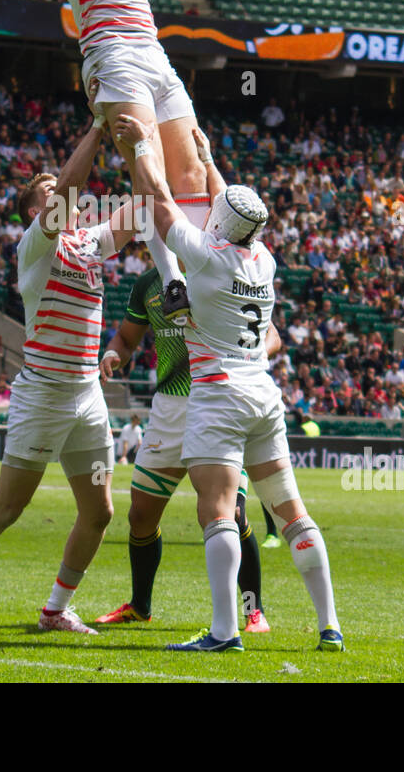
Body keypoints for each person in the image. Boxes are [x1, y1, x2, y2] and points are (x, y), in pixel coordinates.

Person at [115, 115, 344, 654]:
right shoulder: (262, 259)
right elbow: (236, 210)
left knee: (216, 511)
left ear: (220, 222)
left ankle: (224, 632)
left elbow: (157, 200)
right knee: (291, 511)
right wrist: (210, 160)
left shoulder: (204, 258)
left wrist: (143, 146)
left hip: (217, 391)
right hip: (263, 392)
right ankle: (329, 625)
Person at [0, 116, 140, 633]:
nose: (62, 193)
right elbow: (68, 189)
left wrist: (139, 147)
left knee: (100, 511)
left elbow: (144, 212)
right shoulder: (35, 246)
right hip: (43, 393)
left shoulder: (88, 244)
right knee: (8, 507)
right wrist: (96, 129)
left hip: (86, 392)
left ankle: (55, 609)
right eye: (47, 191)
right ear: (32, 211)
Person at [44, 0, 205, 325]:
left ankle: (200, 274)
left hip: (155, 59)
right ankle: (175, 279)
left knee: (192, 182)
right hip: (111, 57)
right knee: (146, 165)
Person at [96, 265, 279, 632]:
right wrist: (114, 354)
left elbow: (270, 334)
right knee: (141, 516)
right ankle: (140, 605)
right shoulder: (149, 282)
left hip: (217, 404)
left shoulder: (219, 265)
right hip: (168, 409)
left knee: (232, 514)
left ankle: (252, 610)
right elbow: (127, 339)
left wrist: (254, 354)